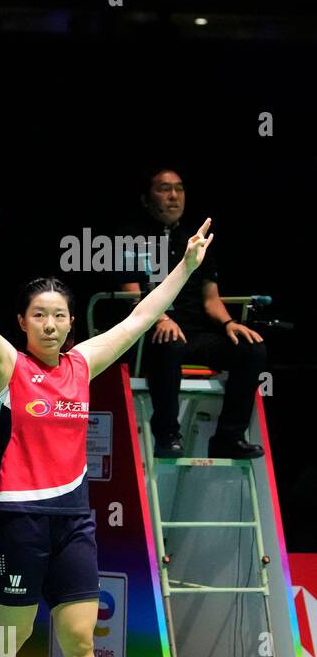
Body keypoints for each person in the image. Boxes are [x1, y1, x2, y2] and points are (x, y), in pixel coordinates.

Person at [0, 182, 213, 657]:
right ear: (22, 323)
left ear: (72, 322)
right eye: (38, 315)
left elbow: (144, 315)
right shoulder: (7, 367)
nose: (50, 323)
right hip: (18, 517)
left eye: (59, 315)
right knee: (8, 640)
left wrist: (186, 267)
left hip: (73, 518)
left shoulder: (82, 364)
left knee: (78, 639)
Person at [117, 168, 266, 458]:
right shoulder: (132, 238)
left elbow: (211, 299)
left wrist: (229, 323)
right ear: (147, 199)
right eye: (164, 189)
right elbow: (131, 295)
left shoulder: (195, 240)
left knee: (252, 349)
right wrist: (160, 317)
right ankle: (167, 434)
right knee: (169, 343)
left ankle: (228, 437)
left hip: (195, 334)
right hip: (152, 333)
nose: (173, 195)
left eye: (179, 188)